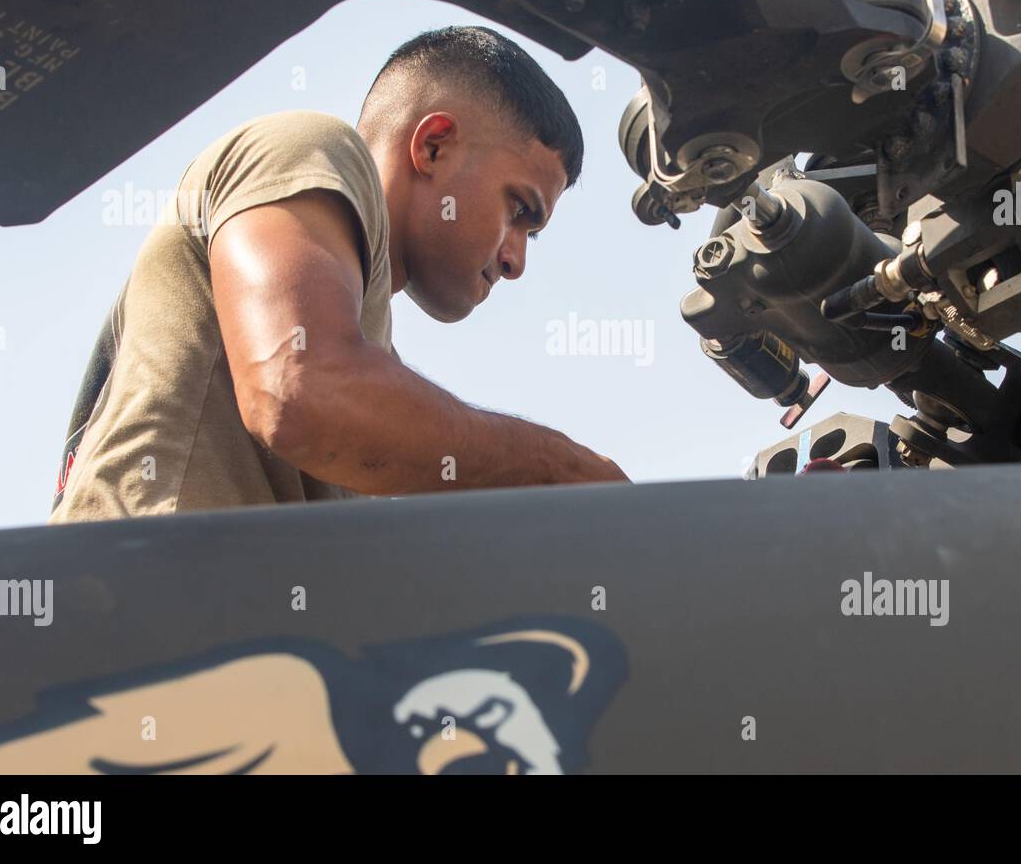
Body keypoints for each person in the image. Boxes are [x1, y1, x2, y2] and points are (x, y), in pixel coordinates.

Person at [50, 26, 628, 523]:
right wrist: (555, 466)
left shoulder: (376, 383)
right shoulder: (309, 146)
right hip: (130, 621)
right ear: (433, 146)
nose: (515, 259)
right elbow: (297, 391)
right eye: (519, 210)